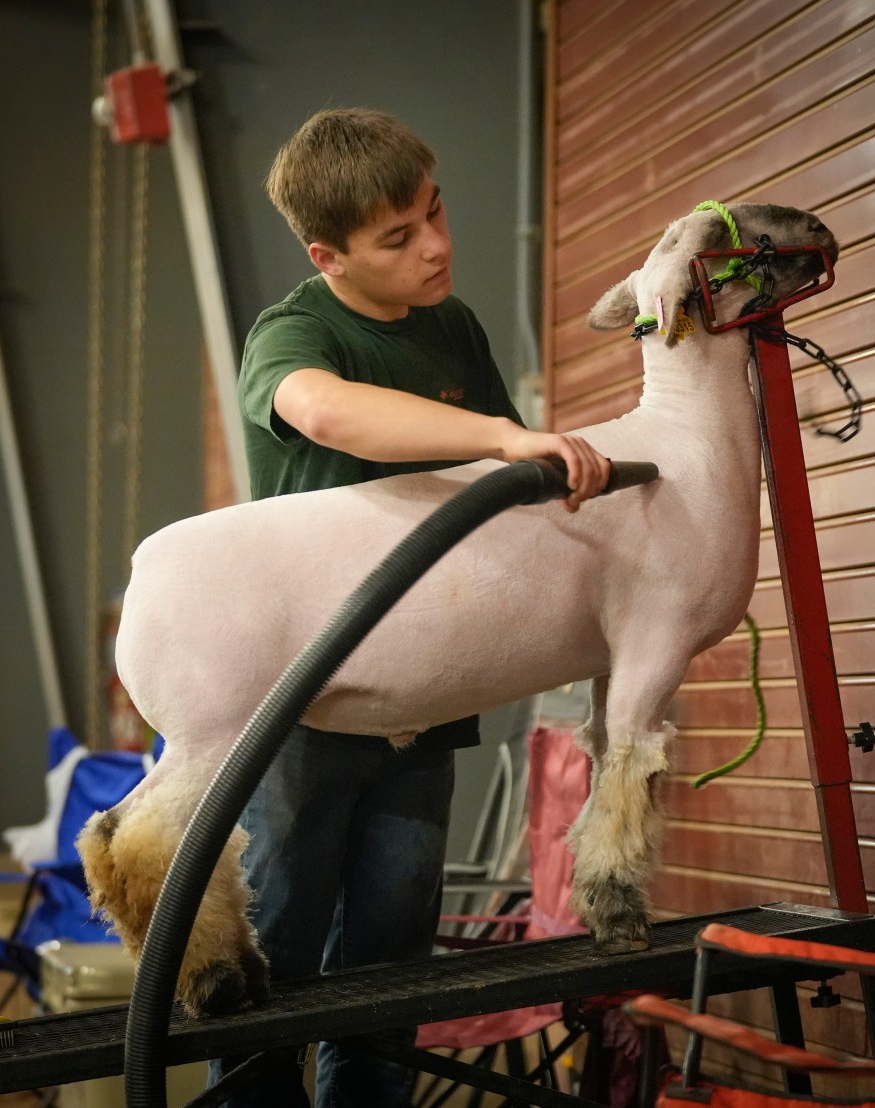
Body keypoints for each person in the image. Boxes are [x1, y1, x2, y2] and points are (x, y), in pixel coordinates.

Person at [209, 108, 609, 1108]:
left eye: (434, 213)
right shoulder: (295, 329)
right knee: (277, 966)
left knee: (390, 971)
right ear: (327, 255)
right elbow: (328, 411)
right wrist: (502, 434)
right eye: (397, 238)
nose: (436, 246)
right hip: (306, 699)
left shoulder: (454, 327)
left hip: (425, 694)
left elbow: (501, 485)